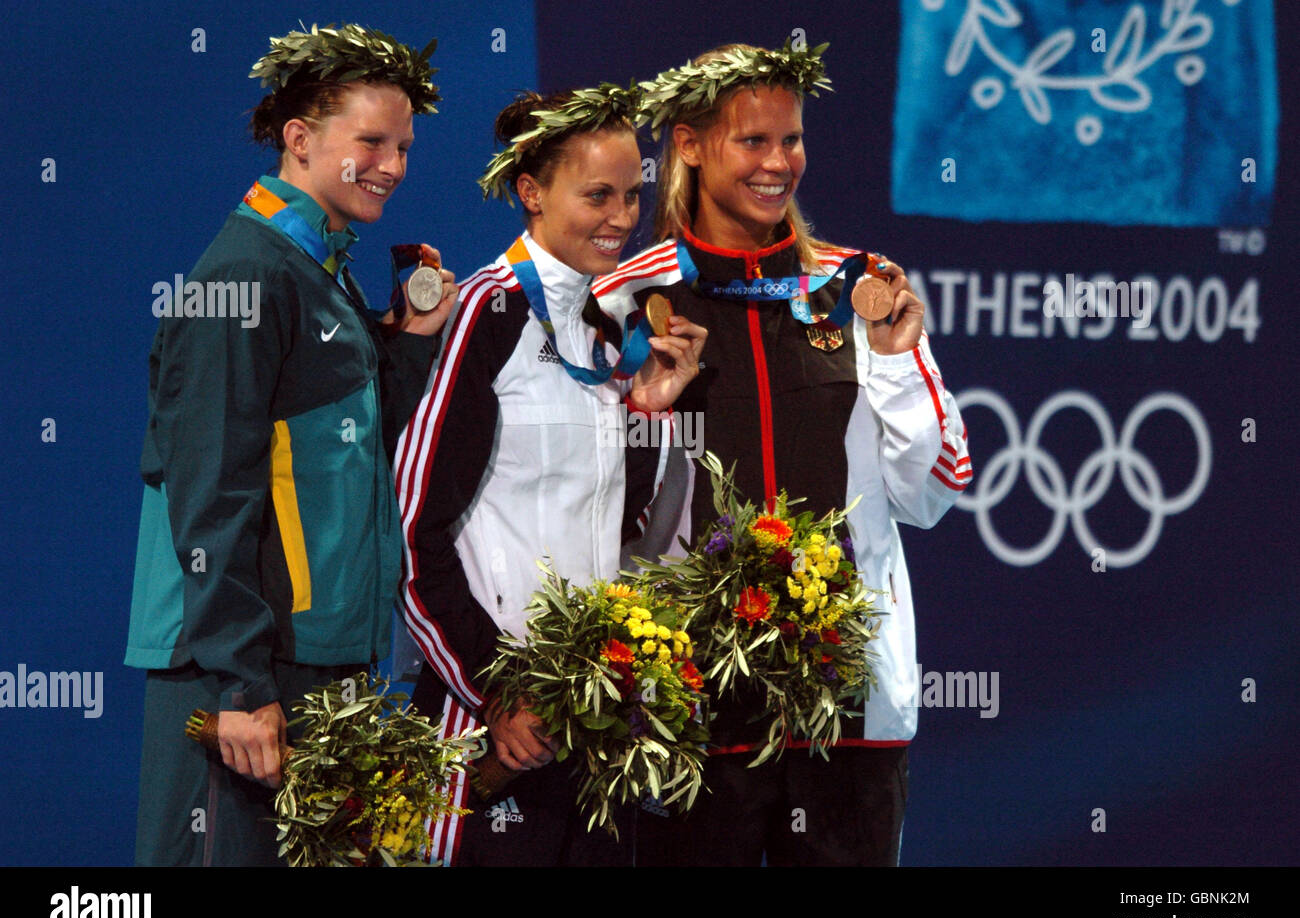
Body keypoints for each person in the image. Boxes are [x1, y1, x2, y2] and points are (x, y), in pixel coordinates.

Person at [594, 42, 972, 866]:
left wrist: (902, 359)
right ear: (688, 145)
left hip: (852, 705)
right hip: (691, 708)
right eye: (753, 142)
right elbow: (595, 512)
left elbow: (933, 490)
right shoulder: (626, 301)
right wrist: (644, 408)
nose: (778, 164)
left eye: (791, 140)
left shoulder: (855, 287)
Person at [125, 24, 459, 866]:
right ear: (301, 141)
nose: (393, 164)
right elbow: (210, 488)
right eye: (371, 142)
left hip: (312, 661)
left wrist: (410, 343)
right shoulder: (247, 276)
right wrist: (239, 684)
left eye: (405, 146)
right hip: (240, 673)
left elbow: (342, 450)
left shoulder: (315, 267)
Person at [395, 86, 706, 866]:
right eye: (596, 195)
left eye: (633, 193)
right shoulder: (484, 314)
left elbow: (623, 527)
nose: (621, 216)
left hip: (590, 716)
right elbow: (408, 528)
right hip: (489, 720)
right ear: (530, 192)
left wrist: (654, 414)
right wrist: (494, 689)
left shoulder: (613, 331)